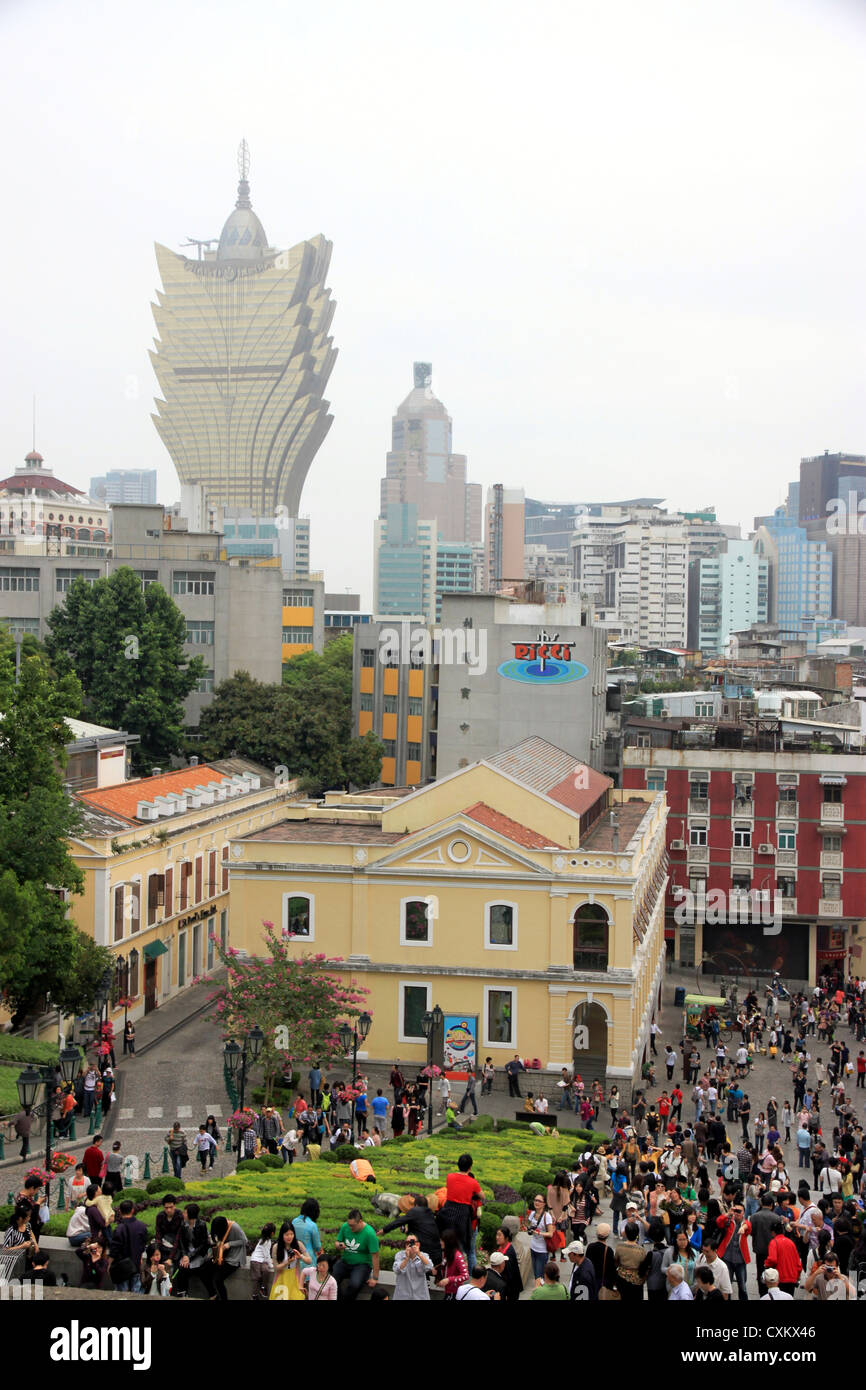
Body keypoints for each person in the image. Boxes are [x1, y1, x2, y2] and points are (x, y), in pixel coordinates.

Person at [438, 1153, 482, 1259]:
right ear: (470, 1167)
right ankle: (462, 1272)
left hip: (448, 1214)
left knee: (448, 1245)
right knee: (461, 1249)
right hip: (462, 1217)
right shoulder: (473, 1182)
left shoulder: (450, 1177)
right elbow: (482, 1195)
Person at [380, 1194, 442, 1265]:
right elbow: (423, 1230)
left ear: (416, 1205)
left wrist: (385, 1230)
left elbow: (398, 1222)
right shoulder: (430, 1214)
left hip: (423, 1253)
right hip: (436, 1254)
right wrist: (407, 1231)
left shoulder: (415, 1211)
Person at [333, 1208, 380, 1299]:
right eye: (349, 1225)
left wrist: (375, 1277)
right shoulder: (345, 1227)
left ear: (360, 1222)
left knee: (354, 1284)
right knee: (331, 1281)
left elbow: (375, 1256)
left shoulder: (369, 1233)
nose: (350, 1228)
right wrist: (339, 1245)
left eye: (353, 1226)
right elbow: (337, 1242)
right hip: (345, 1262)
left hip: (362, 1265)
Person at [200, 1216, 248, 1301]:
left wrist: (229, 1244)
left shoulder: (234, 1227)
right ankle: (213, 1295)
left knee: (218, 1280)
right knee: (204, 1270)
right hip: (222, 1256)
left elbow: (244, 1240)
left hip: (234, 1259)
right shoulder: (219, 1228)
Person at [109, 1199, 148, 1293]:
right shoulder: (142, 1226)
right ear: (132, 1210)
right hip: (136, 1265)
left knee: (122, 1294)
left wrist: (109, 1263)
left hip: (121, 1267)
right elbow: (143, 1245)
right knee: (136, 1293)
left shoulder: (119, 1228)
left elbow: (114, 1249)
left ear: (120, 1211)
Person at [172, 1203, 210, 1298]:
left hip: (198, 1253)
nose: (183, 1215)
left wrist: (189, 1256)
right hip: (187, 1253)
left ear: (191, 1214)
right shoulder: (183, 1224)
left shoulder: (201, 1225)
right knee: (181, 1267)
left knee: (186, 1268)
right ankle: (182, 1292)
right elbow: (182, 1242)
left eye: (185, 1213)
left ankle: (183, 1292)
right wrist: (185, 1255)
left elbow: (203, 1244)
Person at [268, 1221, 310, 1301]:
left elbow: (309, 1261)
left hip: (295, 1278)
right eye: (287, 1234)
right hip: (281, 1278)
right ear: (282, 1235)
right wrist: (287, 1262)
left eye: (291, 1234)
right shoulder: (276, 1247)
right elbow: (276, 1268)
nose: (289, 1237)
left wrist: (300, 1256)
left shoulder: (299, 1244)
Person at [393, 1233, 435, 1300]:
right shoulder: (399, 1255)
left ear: (418, 1244)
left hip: (420, 1296)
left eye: (412, 1242)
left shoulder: (424, 1255)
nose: (410, 1245)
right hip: (402, 1296)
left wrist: (419, 1254)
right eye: (407, 1243)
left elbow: (429, 1266)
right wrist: (406, 1258)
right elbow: (396, 1270)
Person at [248, 1223, 276, 1301]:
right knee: (257, 1277)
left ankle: (263, 1288)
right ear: (272, 1233)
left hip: (262, 1260)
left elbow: (266, 1255)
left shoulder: (266, 1240)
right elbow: (266, 1254)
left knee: (266, 1270)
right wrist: (271, 1264)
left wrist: (269, 1263)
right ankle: (254, 1295)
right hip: (255, 1260)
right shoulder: (265, 1241)